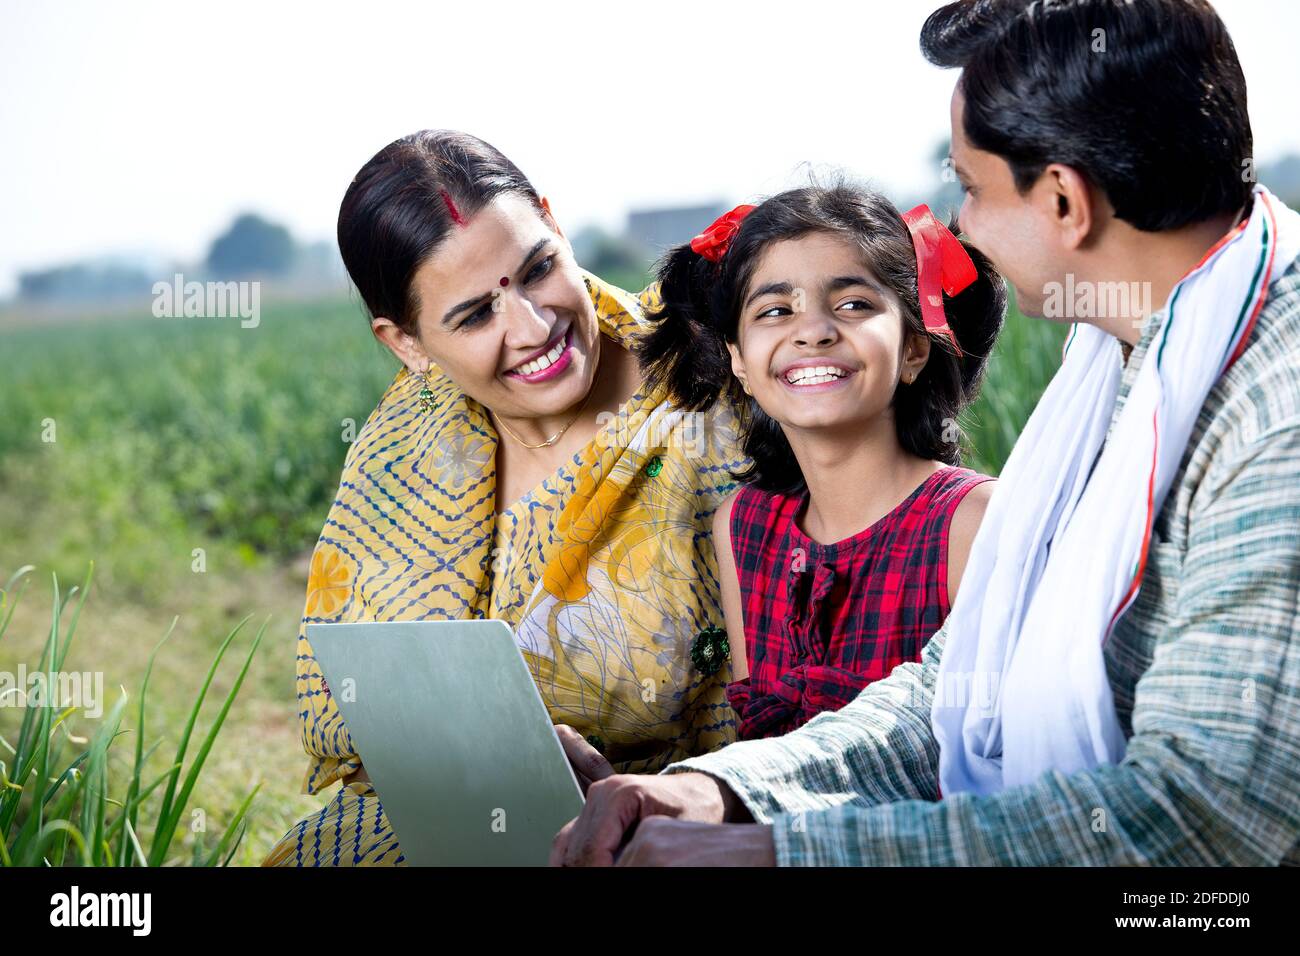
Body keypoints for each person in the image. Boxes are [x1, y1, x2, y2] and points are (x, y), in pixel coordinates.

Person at [551, 0, 1300, 866]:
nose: (963, 227)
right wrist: (717, 789)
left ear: (1064, 201)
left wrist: (783, 853)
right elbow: (965, 679)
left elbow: (1209, 819)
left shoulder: (1273, 418)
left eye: (972, 188)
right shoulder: (1130, 353)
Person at [262, 130, 751, 866]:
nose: (531, 326)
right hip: (437, 827)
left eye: (539, 269)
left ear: (554, 221)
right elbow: (366, 702)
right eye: (474, 316)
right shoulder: (398, 453)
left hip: (672, 829)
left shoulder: (718, 382)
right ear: (407, 344)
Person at [635, 181, 1001, 740]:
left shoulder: (974, 523)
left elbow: (1000, 756)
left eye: (853, 304)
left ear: (913, 349)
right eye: (776, 310)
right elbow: (757, 753)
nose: (812, 332)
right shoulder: (744, 526)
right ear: (739, 361)